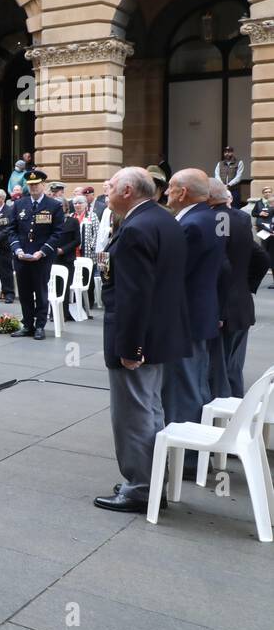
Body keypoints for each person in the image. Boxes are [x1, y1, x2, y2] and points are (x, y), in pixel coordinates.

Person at [96, 167, 189, 514]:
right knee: (150, 410)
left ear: (128, 191)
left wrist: (131, 348)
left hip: (138, 338)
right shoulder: (164, 219)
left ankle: (140, 488)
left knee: (134, 414)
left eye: (111, 189)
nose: (107, 194)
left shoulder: (136, 228)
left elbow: (135, 295)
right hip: (159, 334)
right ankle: (149, 482)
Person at [160, 170, 225, 474]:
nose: (166, 193)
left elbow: (174, 273)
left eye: (171, 188)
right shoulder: (210, 218)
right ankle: (193, 455)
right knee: (194, 383)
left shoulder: (193, 224)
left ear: (183, 192)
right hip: (200, 313)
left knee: (184, 386)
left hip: (186, 316)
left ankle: (186, 459)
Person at [207, 179, 264, 399]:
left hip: (223, 307)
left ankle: (221, 422)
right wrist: (246, 285)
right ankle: (235, 415)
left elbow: (222, 264)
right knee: (233, 369)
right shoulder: (241, 218)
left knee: (218, 371)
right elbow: (261, 257)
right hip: (241, 304)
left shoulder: (217, 218)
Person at [10, 170, 65, 339]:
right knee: (25, 293)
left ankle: (40, 325)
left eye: (36, 184)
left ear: (43, 185)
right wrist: (17, 249)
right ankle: (27, 324)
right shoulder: (19, 204)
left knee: (41, 292)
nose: (33, 187)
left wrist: (42, 252)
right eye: (30, 185)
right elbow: (12, 230)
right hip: (22, 257)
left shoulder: (54, 206)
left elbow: (57, 233)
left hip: (41, 257)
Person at [53, 195, 82, 321]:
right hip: (53, 257)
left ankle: (63, 313)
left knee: (64, 287)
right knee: (54, 287)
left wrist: (63, 250)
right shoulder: (51, 221)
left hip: (67, 258)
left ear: (65, 207)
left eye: (61, 206)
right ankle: (53, 313)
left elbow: (77, 240)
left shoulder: (73, 221)